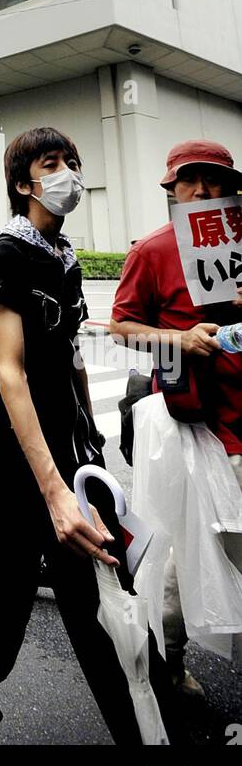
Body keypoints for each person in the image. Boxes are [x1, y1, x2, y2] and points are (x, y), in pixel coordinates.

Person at [0, 128, 179, 746]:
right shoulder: (7, 256)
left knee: (97, 595)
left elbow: (68, 350)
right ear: (24, 183)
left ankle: (144, 740)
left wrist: (89, 435)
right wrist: (52, 492)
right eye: (53, 164)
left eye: (73, 162)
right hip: (8, 459)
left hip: (64, 454)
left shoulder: (63, 255)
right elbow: (11, 373)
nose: (69, 172)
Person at [110, 139, 242, 698]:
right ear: (171, 191)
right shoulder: (155, 250)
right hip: (192, 426)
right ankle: (168, 666)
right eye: (191, 180)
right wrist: (179, 340)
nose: (204, 192)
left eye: (216, 181)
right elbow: (120, 329)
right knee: (177, 556)